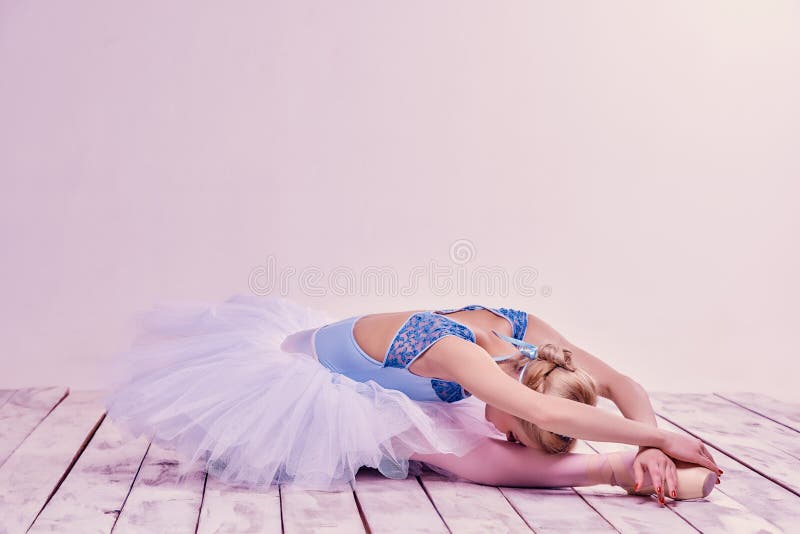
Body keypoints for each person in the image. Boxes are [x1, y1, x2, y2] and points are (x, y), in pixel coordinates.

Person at [103, 294, 722, 504]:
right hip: (312, 374)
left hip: (393, 379)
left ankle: (629, 470)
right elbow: (540, 413)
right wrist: (659, 441)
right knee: (465, 456)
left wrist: (651, 438)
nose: (506, 429)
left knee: (461, 439)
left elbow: (623, 385)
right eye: (516, 429)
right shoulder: (462, 357)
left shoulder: (534, 343)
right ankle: (613, 474)